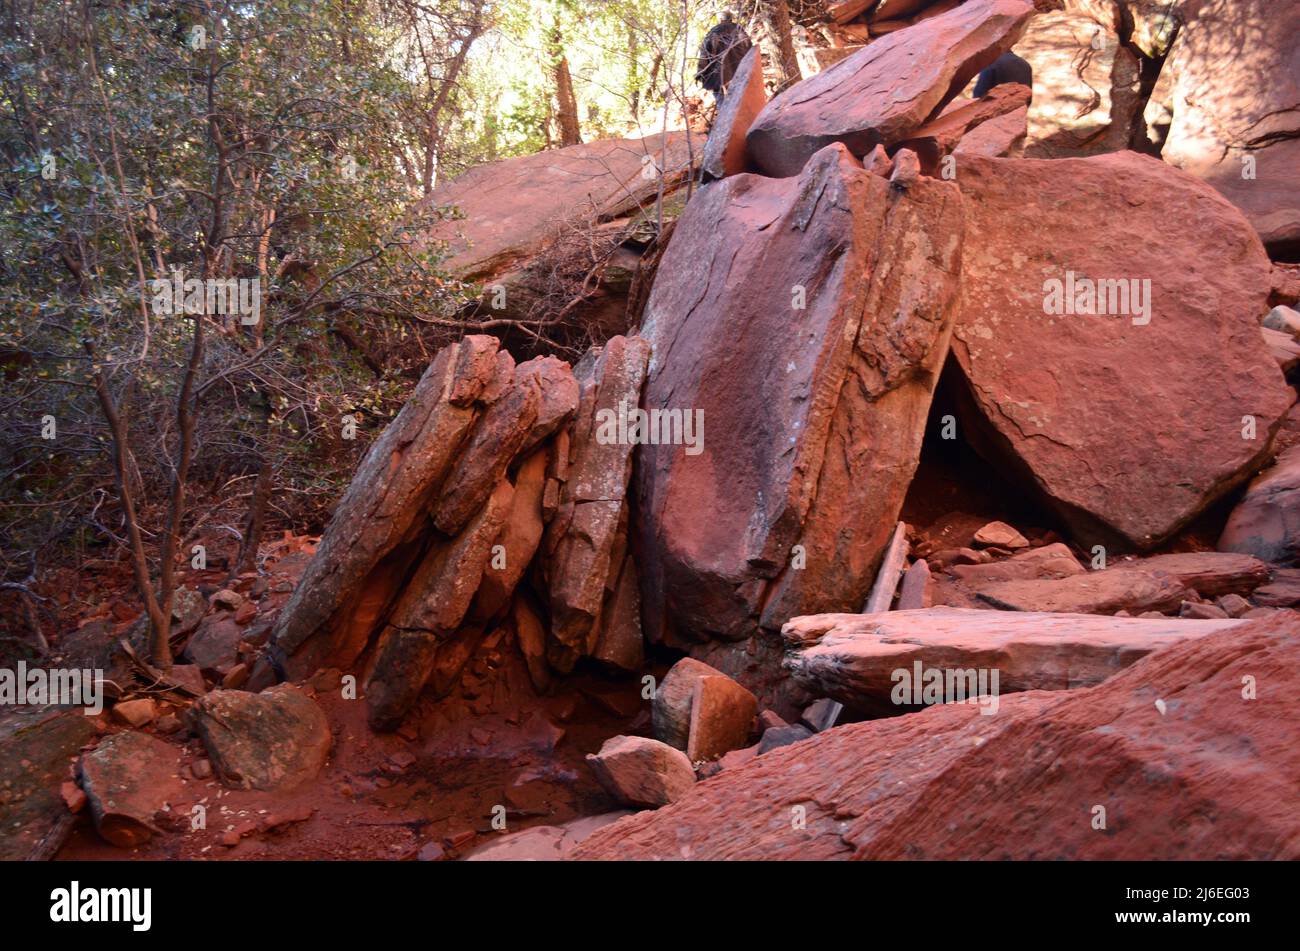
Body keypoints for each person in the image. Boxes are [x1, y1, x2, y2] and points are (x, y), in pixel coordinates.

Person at [696, 11, 752, 107]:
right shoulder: (740, 31)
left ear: (720, 19)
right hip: (741, 72)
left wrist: (700, 73)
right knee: (743, 101)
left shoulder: (713, 33)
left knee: (722, 106)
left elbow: (704, 56)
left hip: (720, 77)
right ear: (731, 19)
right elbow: (750, 49)